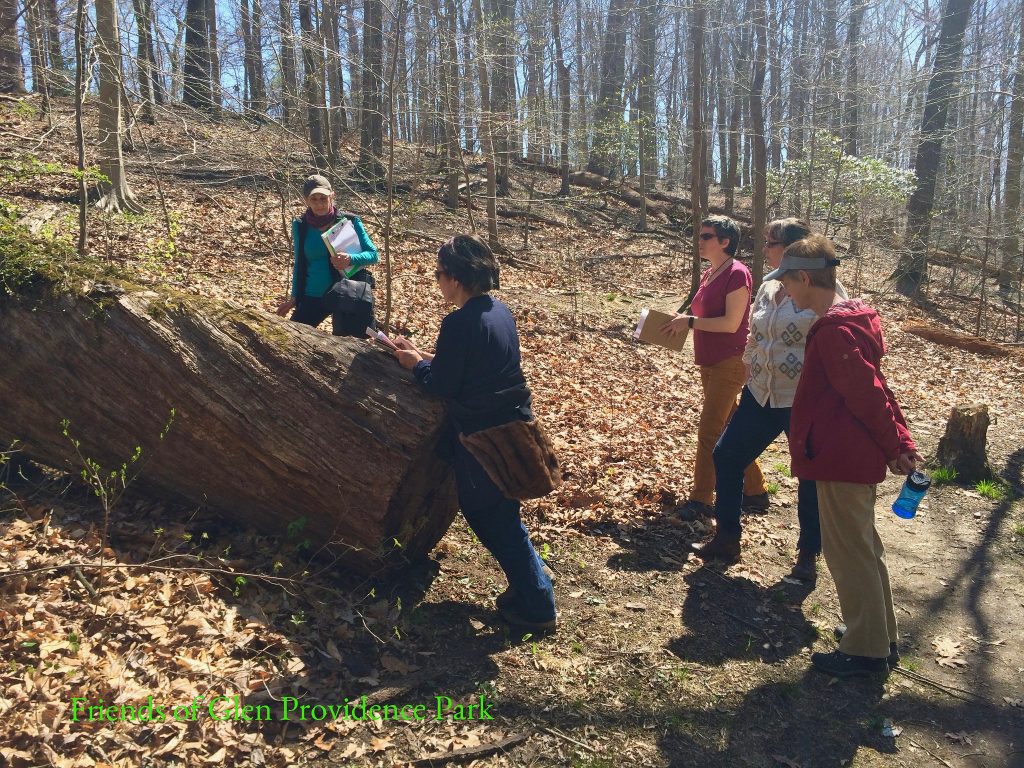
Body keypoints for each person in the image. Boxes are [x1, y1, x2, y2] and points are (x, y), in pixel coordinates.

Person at [767, 235, 921, 678]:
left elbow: (867, 394)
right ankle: (878, 633)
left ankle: (864, 652)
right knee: (865, 549)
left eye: (788, 283)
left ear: (803, 277)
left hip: (841, 456)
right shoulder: (851, 321)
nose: (785, 292)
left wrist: (897, 446)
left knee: (850, 553)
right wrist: (901, 442)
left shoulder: (835, 331)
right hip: (845, 452)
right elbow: (877, 387)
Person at [392, 234, 558, 634]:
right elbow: (472, 367)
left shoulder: (459, 321)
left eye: (438, 274)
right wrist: (422, 355)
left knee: (491, 518)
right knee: (504, 516)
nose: (437, 282)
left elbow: (444, 386)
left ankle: (538, 605)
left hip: (484, 438)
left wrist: (415, 367)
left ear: (455, 277)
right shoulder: (498, 312)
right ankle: (530, 585)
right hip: (513, 426)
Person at [690, 218, 846, 576]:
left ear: (793, 250)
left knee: (808, 474)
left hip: (802, 400)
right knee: (727, 456)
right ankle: (727, 538)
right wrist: (749, 367)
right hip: (760, 392)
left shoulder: (827, 289)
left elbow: (836, 341)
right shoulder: (767, 286)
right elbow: (755, 333)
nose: (765, 249)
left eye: (771, 243)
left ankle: (808, 553)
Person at [662, 215, 767, 522]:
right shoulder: (711, 273)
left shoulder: (737, 273)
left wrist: (690, 322)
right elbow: (701, 314)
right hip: (709, 363)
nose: (700, 240)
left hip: (730, 362)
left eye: (707, 236)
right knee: (727, 428)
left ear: (725, 242)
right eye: (700, 235)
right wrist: (678, 318)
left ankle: (701, 499)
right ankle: (756, 491)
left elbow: (732, 323)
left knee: (709, 431)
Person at [276, 174, 379, 336]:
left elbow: (373, 255)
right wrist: (295, 297)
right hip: (313, 294)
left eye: (323, 198)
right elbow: (300, 264)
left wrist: (351, 259)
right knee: (293, 337)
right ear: (306, 200)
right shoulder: (300, 225)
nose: (319, 204)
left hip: (345, 294)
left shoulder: (350, 221)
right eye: (314, 199)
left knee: (348, 347)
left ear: (332, 196)